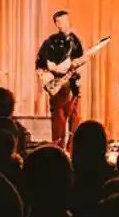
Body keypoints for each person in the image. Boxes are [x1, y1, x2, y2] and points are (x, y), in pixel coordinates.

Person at [36, 9, 85, 149]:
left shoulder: (75, 41)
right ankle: (58, 148)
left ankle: (72, 150)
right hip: (57, 86)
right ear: (56, 24)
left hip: (73, 84)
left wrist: (76, 66)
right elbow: (41, 62)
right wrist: (51, 69)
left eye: (66, 20)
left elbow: (80, 59)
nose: (64, 24)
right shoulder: (50, 42)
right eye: (60, 21)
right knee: (59, 120)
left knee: (74, 119)